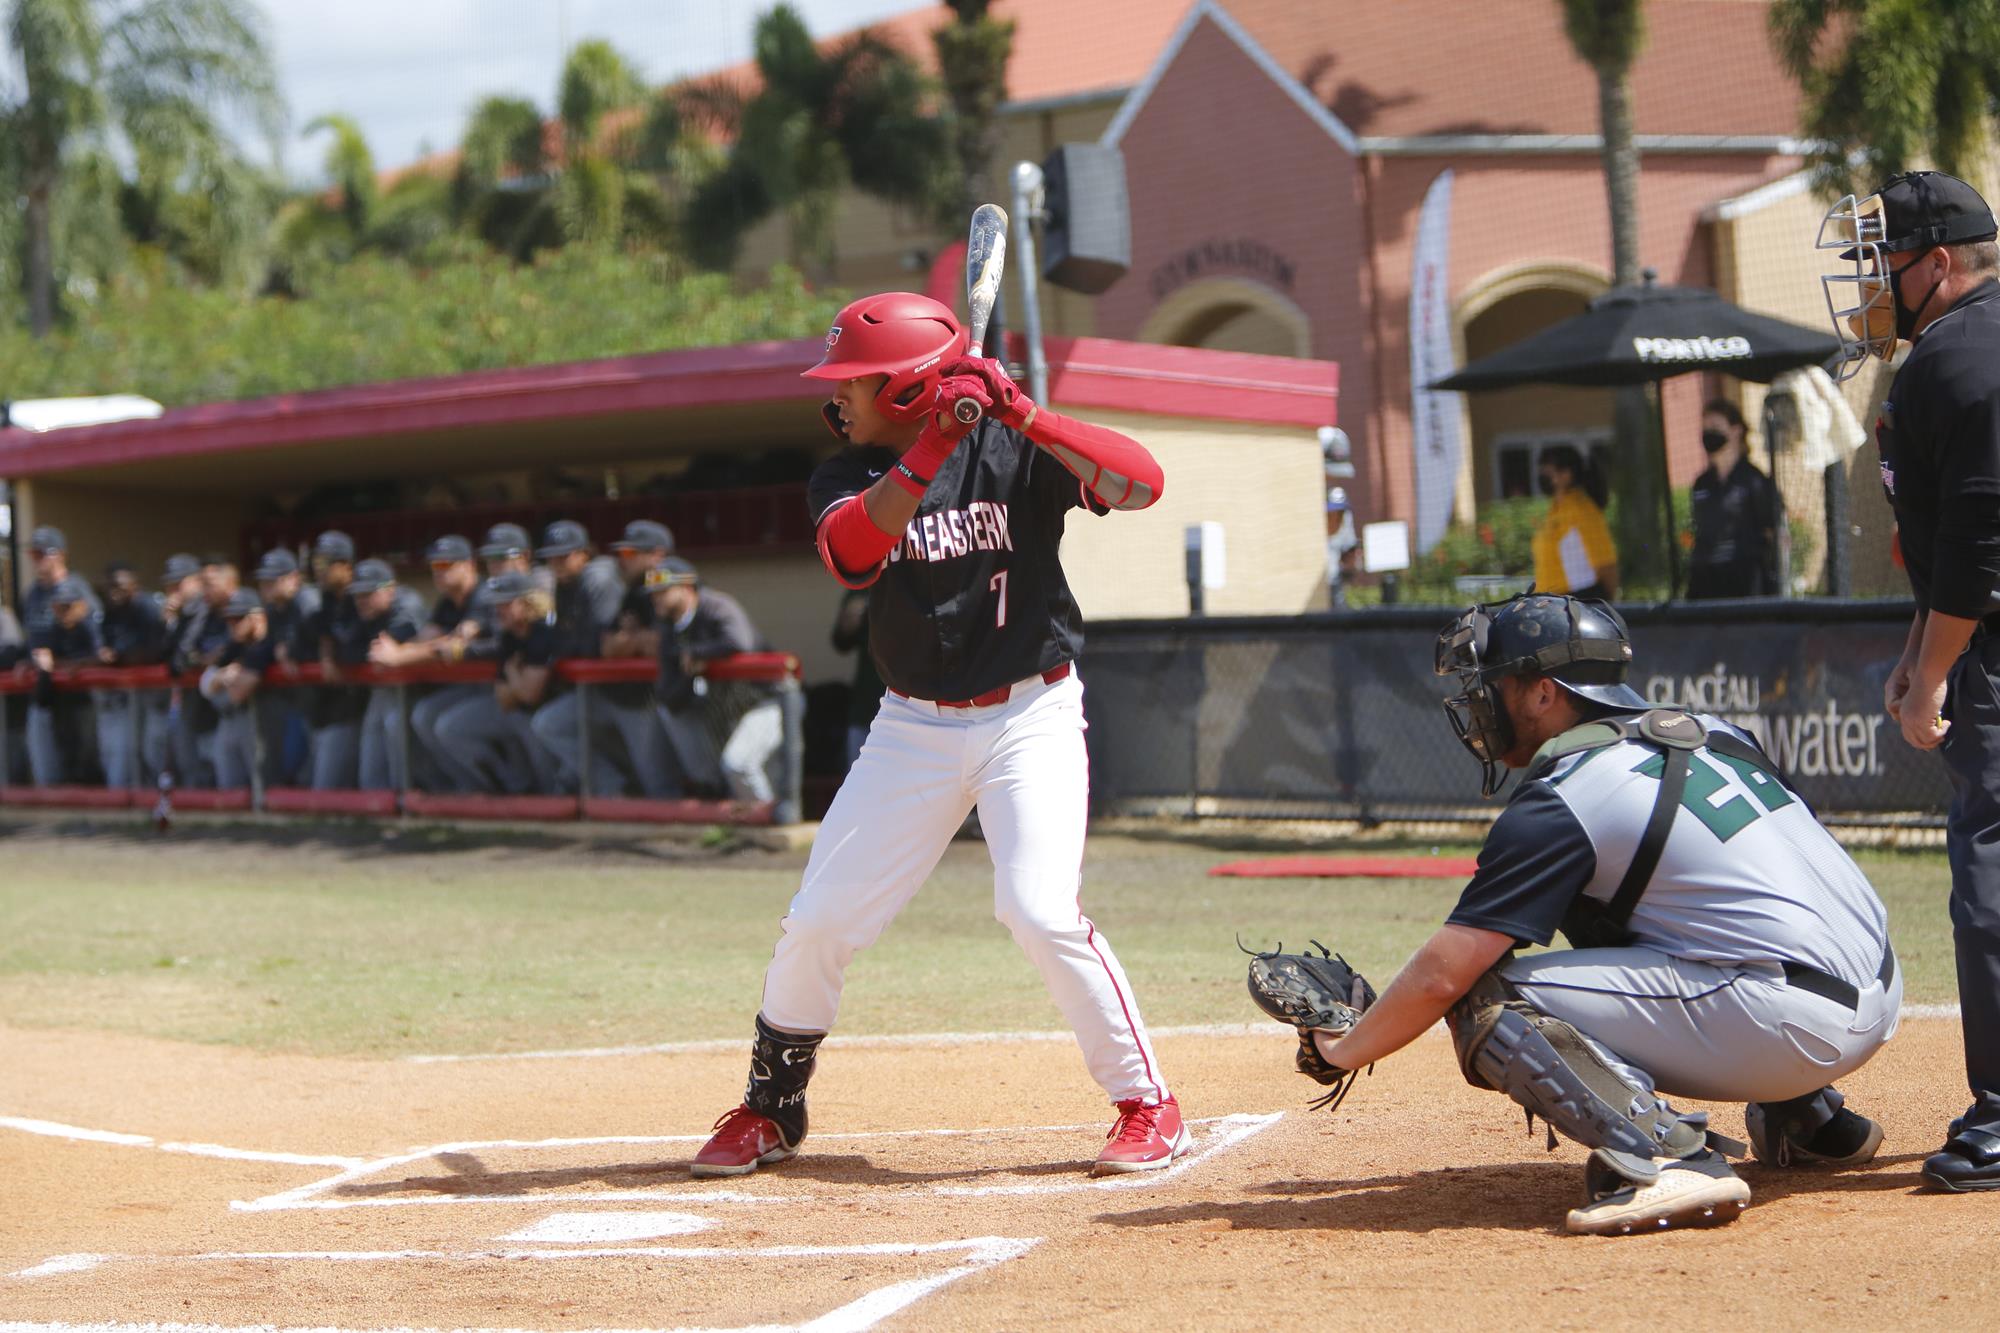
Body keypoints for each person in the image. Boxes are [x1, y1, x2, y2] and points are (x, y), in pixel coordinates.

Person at [691, 291, 1181, 1178]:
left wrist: (1021, 412)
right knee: (820, 918)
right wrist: (932, 443)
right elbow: (851, 552)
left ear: (910, 385)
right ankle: (772, 1106)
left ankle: (1148, 1102)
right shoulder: (843, 473)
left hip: (1031, 711)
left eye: (856, 382)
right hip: (912, 723)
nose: (838, 397)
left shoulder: (1015, 447)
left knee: (1036, 908)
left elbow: (1140, 482)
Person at [1261, 593, 1898, 1234]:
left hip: (1783, 1020)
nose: (1479, 702)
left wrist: (1340, 1048)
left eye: (1494, 685)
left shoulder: (1568, 792)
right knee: (1659, 914)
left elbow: (1442, 977)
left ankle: (1668, 1159)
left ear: (1543, 694)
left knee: (1488, 995)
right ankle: (1809, 1119)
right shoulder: (1718, 732)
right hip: (1876, 995)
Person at [1818, 170, 2000, 1191]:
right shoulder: (1961, 349)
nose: (1867, 284)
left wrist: (1931, 674)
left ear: (1938, 263)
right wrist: (1913, 647)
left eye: (1882, 261)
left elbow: (1982, 545)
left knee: (1988, 880)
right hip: (1974, 634)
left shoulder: (1954, 361)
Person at [647, 557, 780, 802]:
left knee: (739, 765)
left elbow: (740, 642)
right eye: (654, 593)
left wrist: (698, 653)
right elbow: (668, 696)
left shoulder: (715, 605)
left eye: (663, 591)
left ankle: (770, 824)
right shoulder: (668, 629)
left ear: (687, 588)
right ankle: (754, 824)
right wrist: (690, 672)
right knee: (734, 772)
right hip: (727, 712)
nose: (656, 597)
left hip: (768, 704)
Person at [370, 535, 493, 792]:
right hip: (470, 690)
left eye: (446, 565)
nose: (438, 572)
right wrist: (394, 650)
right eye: (435, 566)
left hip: (501, 688)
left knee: (447, 725)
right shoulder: (447, 602)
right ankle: (460, 787)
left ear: (469, 565)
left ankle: (497, 787)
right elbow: (429, 637)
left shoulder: (485, 594)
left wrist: (399, 656)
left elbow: (456, 643)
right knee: (421, 716)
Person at [432, 571, 559, 795]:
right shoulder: (509, 637)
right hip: (518, 712)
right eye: (497, 604)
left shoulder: (543, 632)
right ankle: (504, 786)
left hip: (549, 714)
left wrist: (512, 674)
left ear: (528, 602)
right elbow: (503, 699)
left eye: (506, 603)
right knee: (450, 727)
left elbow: (531, 694)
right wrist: (516, 681)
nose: (499, 610)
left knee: (548, 777)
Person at [528, 519, 631, 796]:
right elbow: (564, 640)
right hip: (599, 691)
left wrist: (565, 649)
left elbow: (594, 644)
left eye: (564, 556)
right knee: (549, 725)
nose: (557, 564)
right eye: (551, 558)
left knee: (659, 772)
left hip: (632, 691)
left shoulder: (598, 578)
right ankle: (612, 790)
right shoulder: (565, 585)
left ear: (584, 553)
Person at [315, 558, 419, 790]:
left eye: (368, 593)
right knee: (372, 765)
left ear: (390, 589)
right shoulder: (364, 612)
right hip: (384, 692)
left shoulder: (407, 603)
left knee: (402, 733)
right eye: (358, 594)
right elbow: (350, 649)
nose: (361, 600)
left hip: (418, 693)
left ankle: (408, 802)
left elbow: (384, 650)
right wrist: (330, 655)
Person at [1686, 400, 1781, 600]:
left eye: (1715, 427)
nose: (1708, 434)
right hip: (1706, 577)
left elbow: (1772, 530)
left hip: (1745, 578)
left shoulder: (1754, 480)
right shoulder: (1701, 484)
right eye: (1705, 429)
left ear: (1736, 431)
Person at [23, 576, 104, 786]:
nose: (63, 612)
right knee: (68, 747)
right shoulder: (55, 629)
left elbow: (103, 655)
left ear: (82, 605)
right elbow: (44, 655)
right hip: (68, 704)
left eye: (68, 606)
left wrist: (74, 664)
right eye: (59, 607)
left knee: (92, 751)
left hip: (98, 701)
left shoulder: (90, 626)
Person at [96, 562, 169, 788]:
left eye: (118, 585)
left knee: (153, 745)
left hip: (156, 691)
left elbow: (152, 651)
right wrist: (108, 654)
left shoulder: (146, 608)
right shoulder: (111, 611)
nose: (113, 591)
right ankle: (139, 793)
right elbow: (105, 647)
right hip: (128, 691)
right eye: (109, 586)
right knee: (126, 747)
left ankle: (159, 794)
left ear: (134, 586)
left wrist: (121, 657)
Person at [201, 590, 277, 790]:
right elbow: (205, 684)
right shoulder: (235, 645)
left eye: (238, 618)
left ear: (258, 618)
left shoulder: (267, 645)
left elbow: (237, 693)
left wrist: (224, 680)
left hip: (263, 723)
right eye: (229, 619)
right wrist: (222, 676)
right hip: (231, 721)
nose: (232, 624)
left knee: (263, 784)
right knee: (228, 786)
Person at [1531, 445, 1618, 600]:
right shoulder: (1556, 509)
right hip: (1554, 603)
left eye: (1547, 469)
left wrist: (1608, 609)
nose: (1542, 474)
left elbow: (1606, 564)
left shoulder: (1582, 510)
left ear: (1566, 474)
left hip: (1579, 602)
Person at [829, 590, 884, 771]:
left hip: (908, 704)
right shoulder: (862, 586)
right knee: (858, 778)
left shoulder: (911, 579)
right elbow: (840, 643)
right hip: (864, 706)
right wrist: (849, 620)